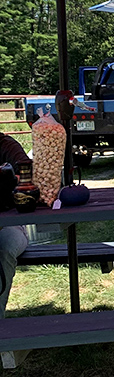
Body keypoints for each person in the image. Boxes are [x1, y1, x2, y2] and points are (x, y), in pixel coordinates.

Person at [0, 134, 30, 317]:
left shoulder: (6, 146)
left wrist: (12, 181)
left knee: (4, 249)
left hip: (12, 224)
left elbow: (28, 173)